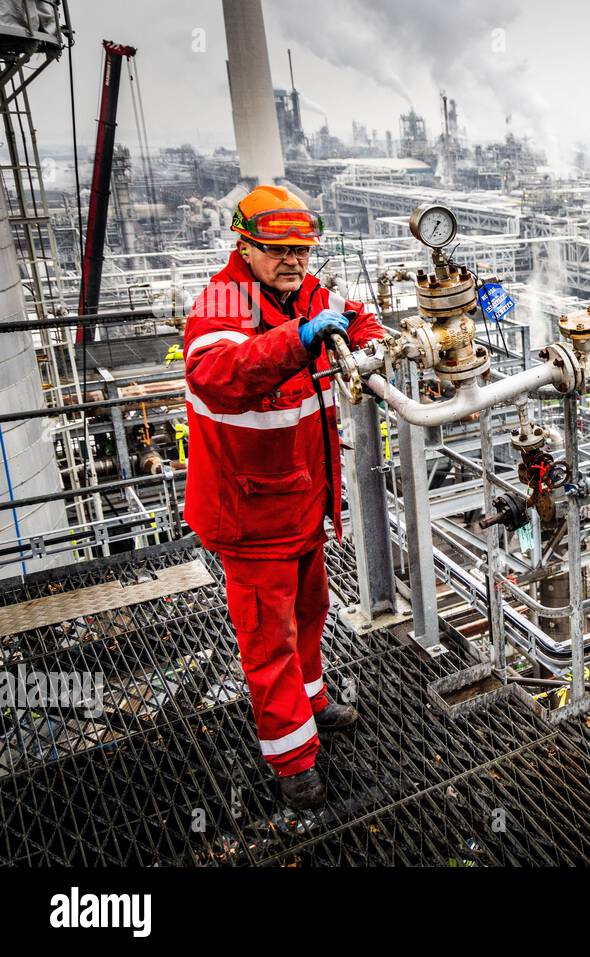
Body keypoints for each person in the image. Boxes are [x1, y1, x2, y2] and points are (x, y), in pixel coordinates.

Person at [182, 185, 385, 808]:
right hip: (249, 512)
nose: (293, 261)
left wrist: (372, 340)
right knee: (269, 636)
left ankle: (312, 702)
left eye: (301, 249)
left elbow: (357, 316)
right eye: (278, 250)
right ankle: (291, 758)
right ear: (244, 246)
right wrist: (300, 338)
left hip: (303, 501)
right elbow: (219, 375)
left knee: (309, 612)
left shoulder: (308, 292)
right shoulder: (222, 302)